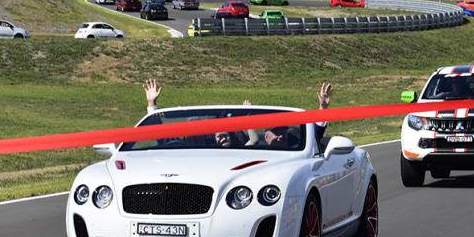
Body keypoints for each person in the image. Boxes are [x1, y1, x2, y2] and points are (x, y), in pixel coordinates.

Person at [143, 79, 334, 147]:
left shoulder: (289, 145)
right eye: (276, 133)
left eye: (281, 133)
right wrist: (152, 104)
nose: (279, 137)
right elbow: (159, 137)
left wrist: (323, 110)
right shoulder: (191, 148)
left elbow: (314, 138)